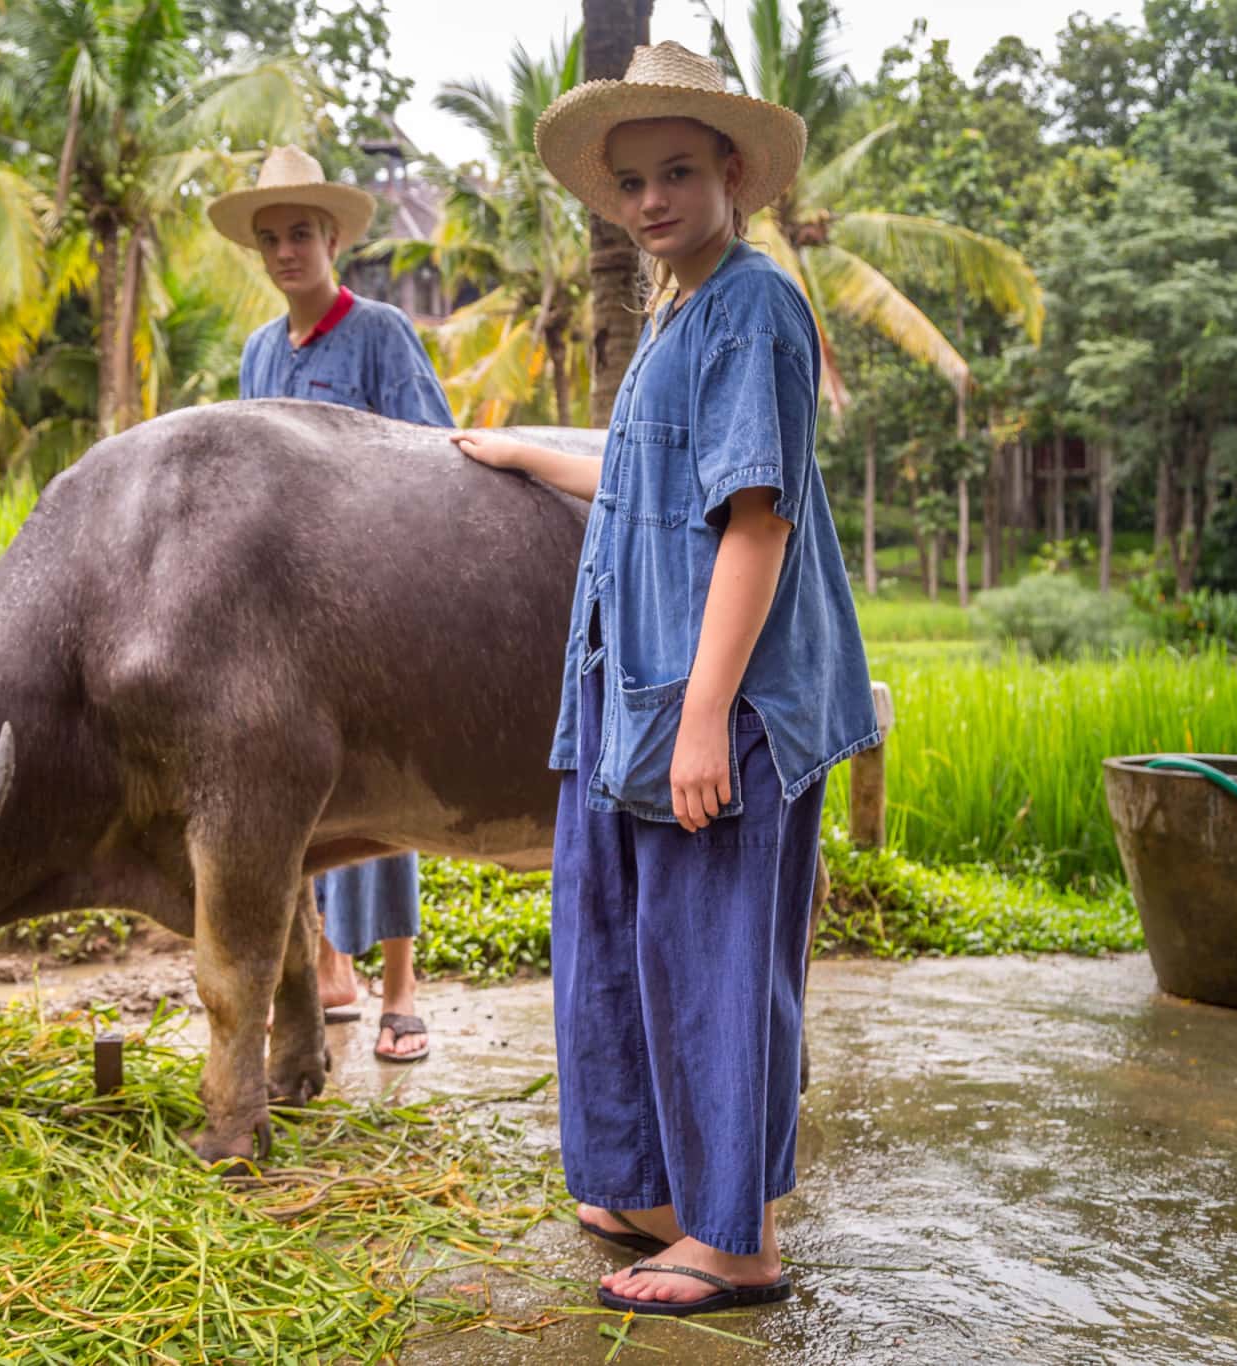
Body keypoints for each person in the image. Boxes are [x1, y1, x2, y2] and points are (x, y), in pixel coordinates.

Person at [452, 43, 877, 1315]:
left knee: (712, 961)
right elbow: (645, 485)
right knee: (625, 945)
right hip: (628, 689)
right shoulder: (677, 311)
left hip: (717, 703)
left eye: (677, 171)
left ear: (732, 173)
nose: (649, 199)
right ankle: (656, 1192)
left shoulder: (749, 307)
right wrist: (529, 453)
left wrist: (702, 718)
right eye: (630, 179)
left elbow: (755, 521)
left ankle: (733, 1240)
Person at [208, 144, 454, 1063]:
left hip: (374, 603)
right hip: (286, 622)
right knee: (299, 811)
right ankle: (325, 974)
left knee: (386, 804)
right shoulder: (259, 352)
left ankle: (401, 991)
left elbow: (429, 449)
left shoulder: (382, 332)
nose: (285, 251)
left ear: (334, 238)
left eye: (301, 233)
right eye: (269, 238)